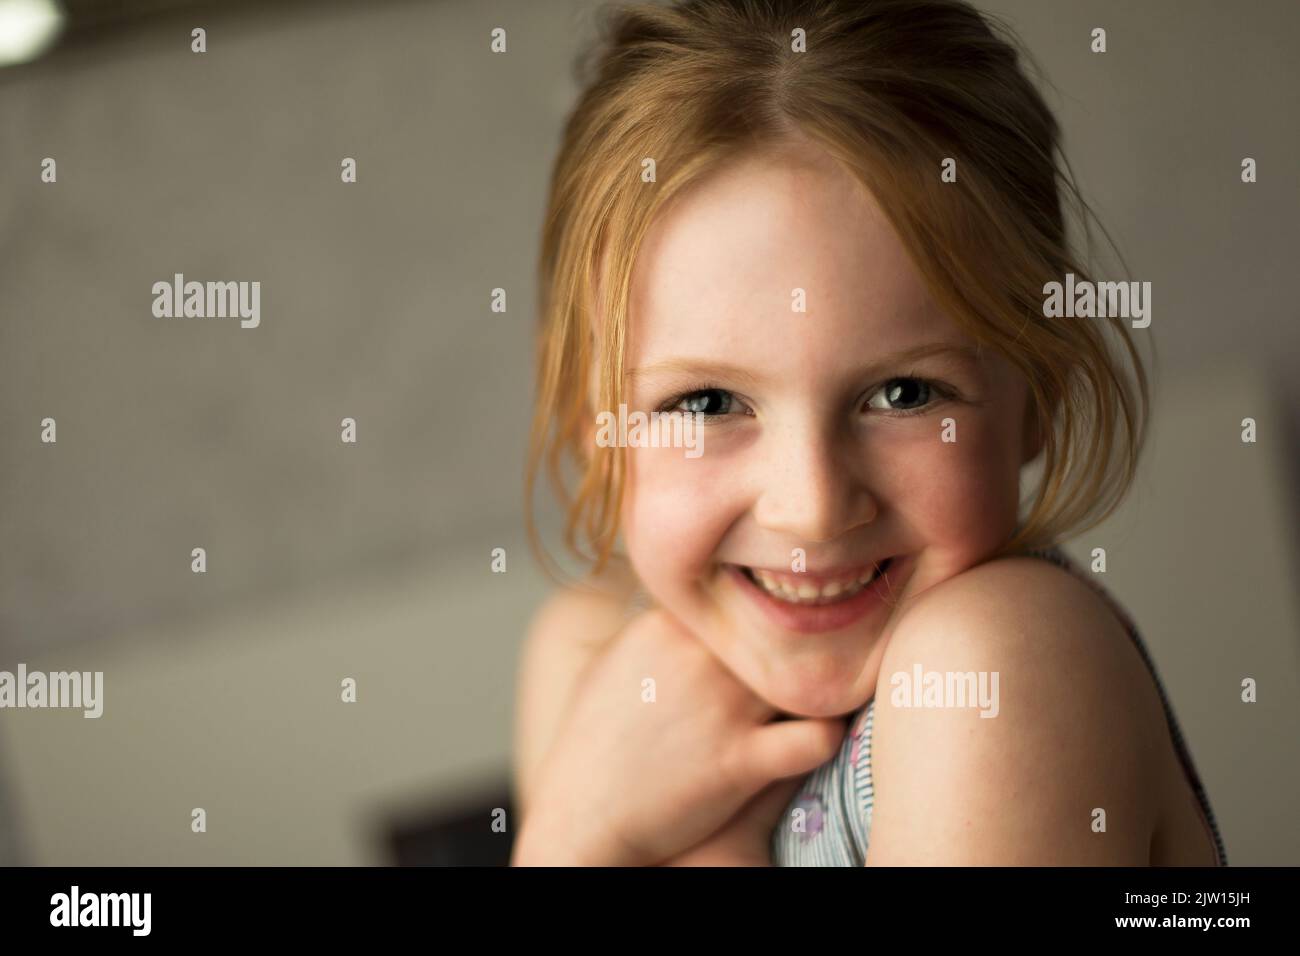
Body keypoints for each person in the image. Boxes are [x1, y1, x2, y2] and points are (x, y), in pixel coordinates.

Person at [511, 0, 1225, 866]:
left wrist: (586, 842)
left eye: (904, 392)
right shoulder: (592, 660)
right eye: (704, 405)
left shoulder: (993, 669)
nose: (812, 508)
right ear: (596, 428)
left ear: (1037, 395)